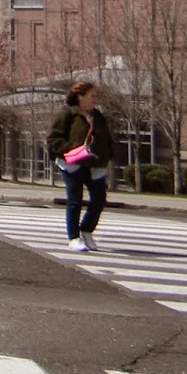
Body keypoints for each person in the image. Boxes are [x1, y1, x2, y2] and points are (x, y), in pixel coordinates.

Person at [51, 80, 114, 251]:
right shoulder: (67, 115)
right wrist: (73, 149)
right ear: (80, 97)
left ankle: (86, 230)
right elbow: (53, 140)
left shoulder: (98, 117)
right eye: (91, 96)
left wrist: (107, 155)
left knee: (99, 199)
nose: (94, 99)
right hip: (72, 163)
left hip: (94, 164)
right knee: (75, 200)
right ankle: (73, 237)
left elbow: (107, 140)